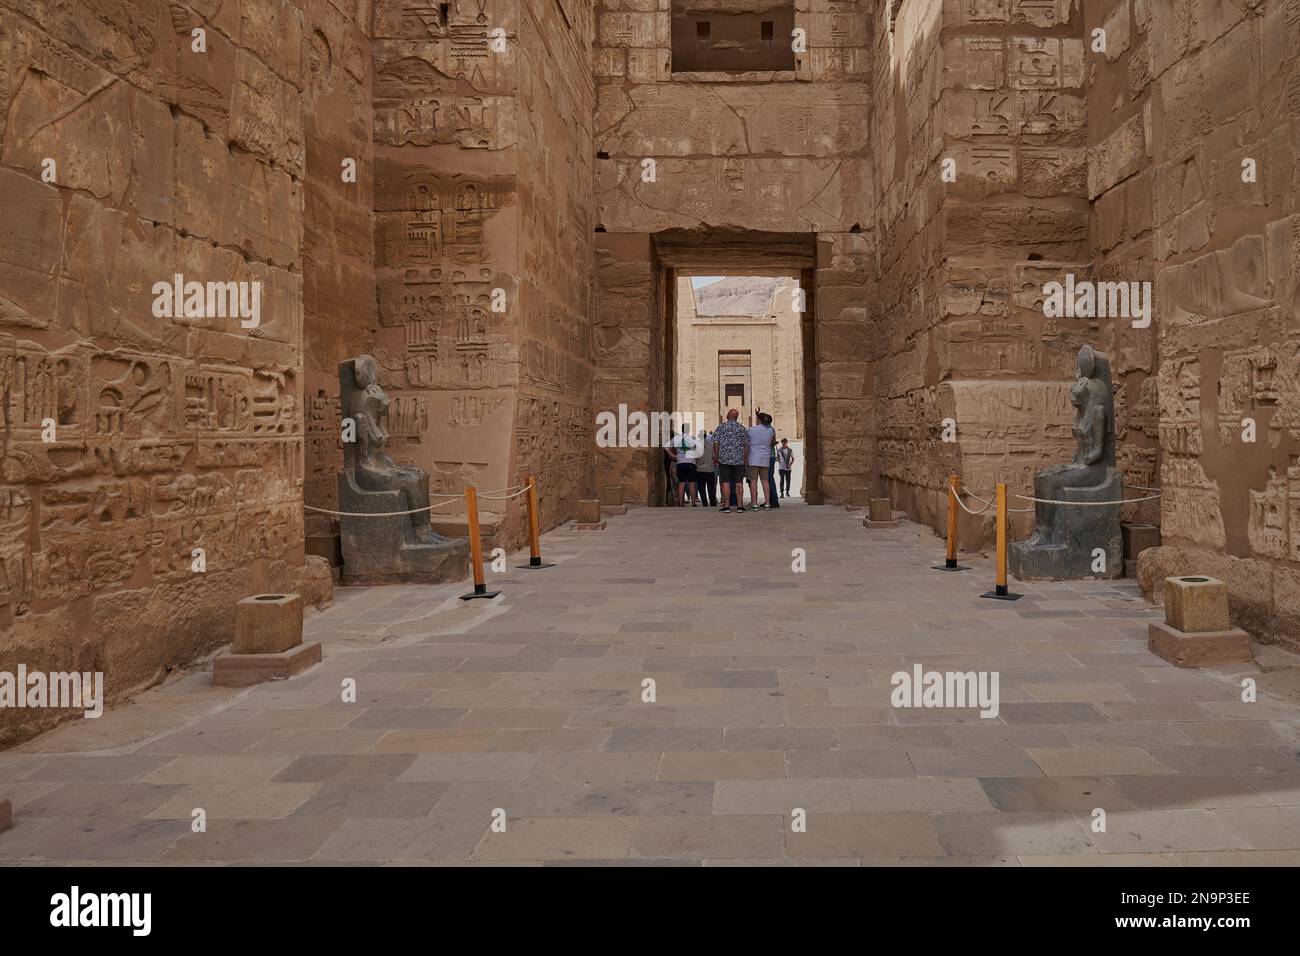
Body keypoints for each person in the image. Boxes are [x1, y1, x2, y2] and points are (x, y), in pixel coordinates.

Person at [711, 408, 749, 512]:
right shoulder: (742, 428)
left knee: (725, 482)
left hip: (724, 459)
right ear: (737, 417)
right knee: (739, 482)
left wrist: (716, 455)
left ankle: (727, 506)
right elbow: (746, 445)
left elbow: (716, 443)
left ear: (727, 416)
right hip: (739, 459)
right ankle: (740, 506)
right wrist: (745, 459)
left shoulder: (720, 427)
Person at [746, 410, 775, 511]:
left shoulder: (751, 430)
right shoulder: (770, 430)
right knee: (765, 481)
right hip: (765, 459)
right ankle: (767, 503)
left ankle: (754, 503)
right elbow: (772, 441)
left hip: (753, 458)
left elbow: (747, 442)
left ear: (758, 420)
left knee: (753, 481)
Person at [667, 423, 699, 506]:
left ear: (682, 429)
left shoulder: (676, 438)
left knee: (681, 483)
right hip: (691, 462)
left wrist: (673, 456)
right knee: (692, 483)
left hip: (680, 462)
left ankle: (680, 503)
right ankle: (693, 503)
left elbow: (666, 447)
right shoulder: (693, 438)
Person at [696, 427, 717, 507]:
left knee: (701, 488)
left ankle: (705, 503)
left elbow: (696, 457)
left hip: (700, 469)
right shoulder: (711, 444)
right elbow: (714, 457)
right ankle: (712, 502)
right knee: (711, 488)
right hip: (710, 469)